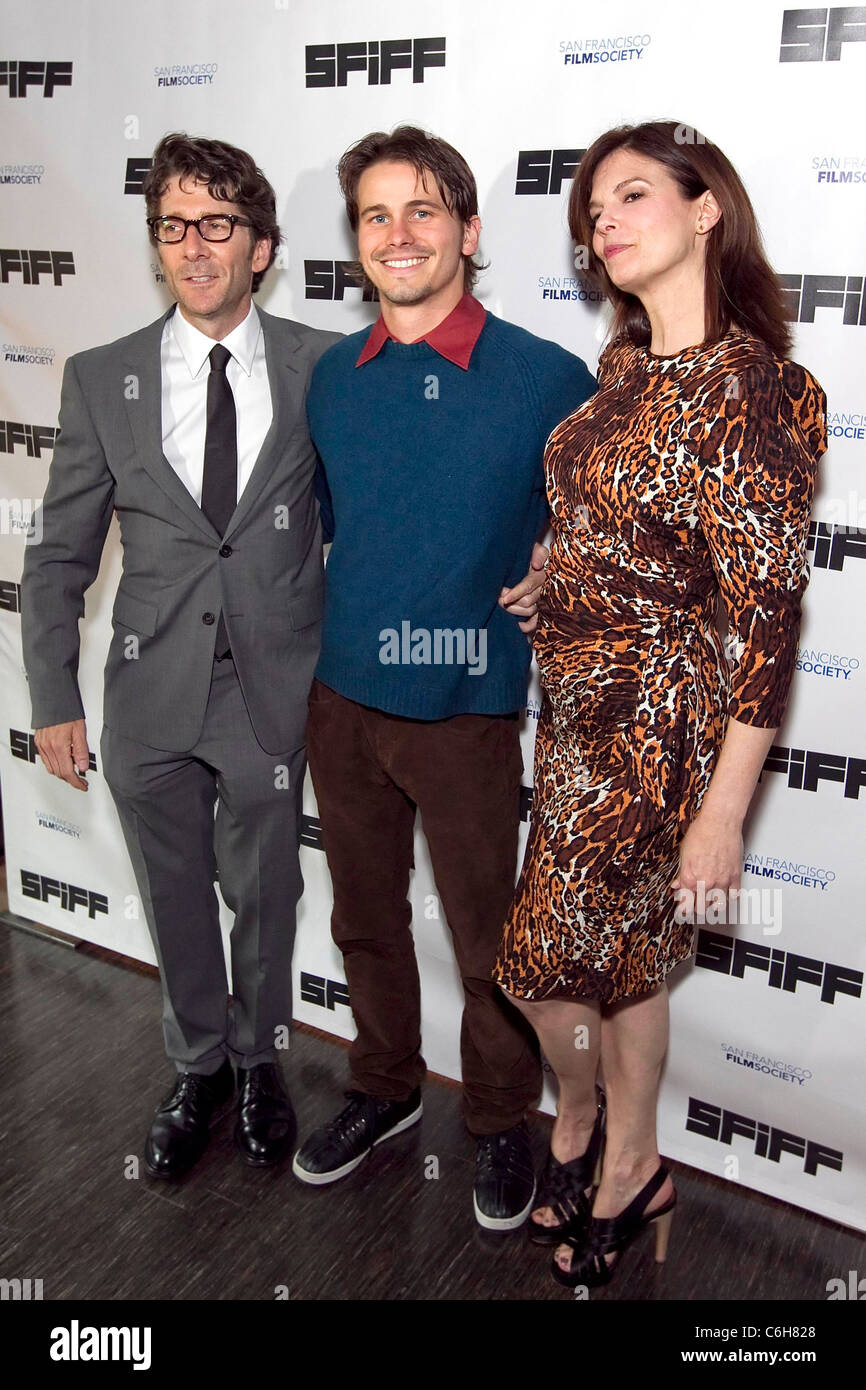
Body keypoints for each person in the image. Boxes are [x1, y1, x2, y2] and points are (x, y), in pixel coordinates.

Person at [493, 120, 827, 1284]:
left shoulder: (755, 392)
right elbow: (623, 530)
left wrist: (721, 813)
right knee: (619, 964)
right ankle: (627, 1160)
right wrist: (557, 576)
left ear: (704, 212)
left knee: (539, 967)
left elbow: (765, 621)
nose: (605, 221)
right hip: (578, 716)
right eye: (593, 211)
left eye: (631, 196)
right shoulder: (622, 375)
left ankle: (600, 1141)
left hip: (656, 733)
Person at [20, 133, 341, 1179]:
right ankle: (196, 1064)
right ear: (156, 245)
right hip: (147, 693)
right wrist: (53, 697)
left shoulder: (322, 368)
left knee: (266, 895)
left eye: (217, 226)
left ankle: (259, 1063)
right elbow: (59, 552)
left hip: (268, 691)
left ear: (261, 247)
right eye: (173, 227)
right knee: (171, 893)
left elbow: (372, 518)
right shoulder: (102, 377)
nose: (194, 248)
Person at [293, 126, 596, 1229]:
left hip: (465, 708)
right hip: (342, 698)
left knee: (486, 945)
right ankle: (379, 1089)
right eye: (376, 215)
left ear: (469, 231)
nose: (398, 233)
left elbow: (600, 536)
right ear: (356, 242)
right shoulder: (334, 377)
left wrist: (559, 557)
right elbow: (336, 531)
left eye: (422, 210)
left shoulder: (546, 378)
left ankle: (497, 1119)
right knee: (363, 922)